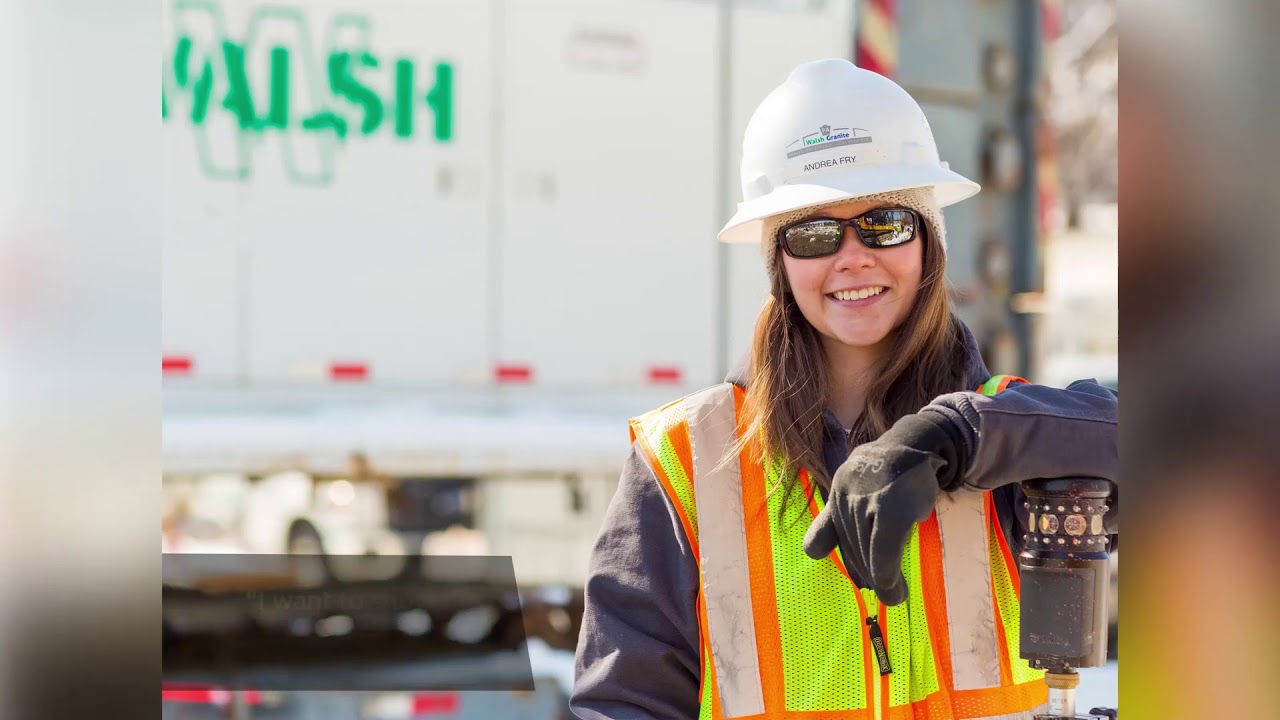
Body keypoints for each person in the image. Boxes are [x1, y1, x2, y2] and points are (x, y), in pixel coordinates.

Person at [570, 59, 1118, 720]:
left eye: (885, 222)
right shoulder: (685, 460)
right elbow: (625, 702)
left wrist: (960, 434)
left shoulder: (1008, 437)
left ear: (928, 243)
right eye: (813, 234)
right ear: (779, 262)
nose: (852, 256)